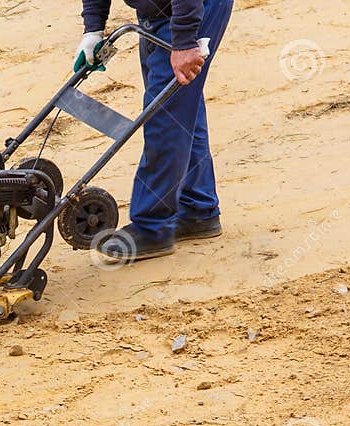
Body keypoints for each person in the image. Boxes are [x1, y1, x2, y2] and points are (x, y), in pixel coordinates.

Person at [75, 0, 233, 262]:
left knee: (163, 115)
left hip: (194, 8)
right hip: (157, 11)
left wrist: (184, 41)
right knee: (178, 104)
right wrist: (93, 30)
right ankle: (197, 207)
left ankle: (152, 227)